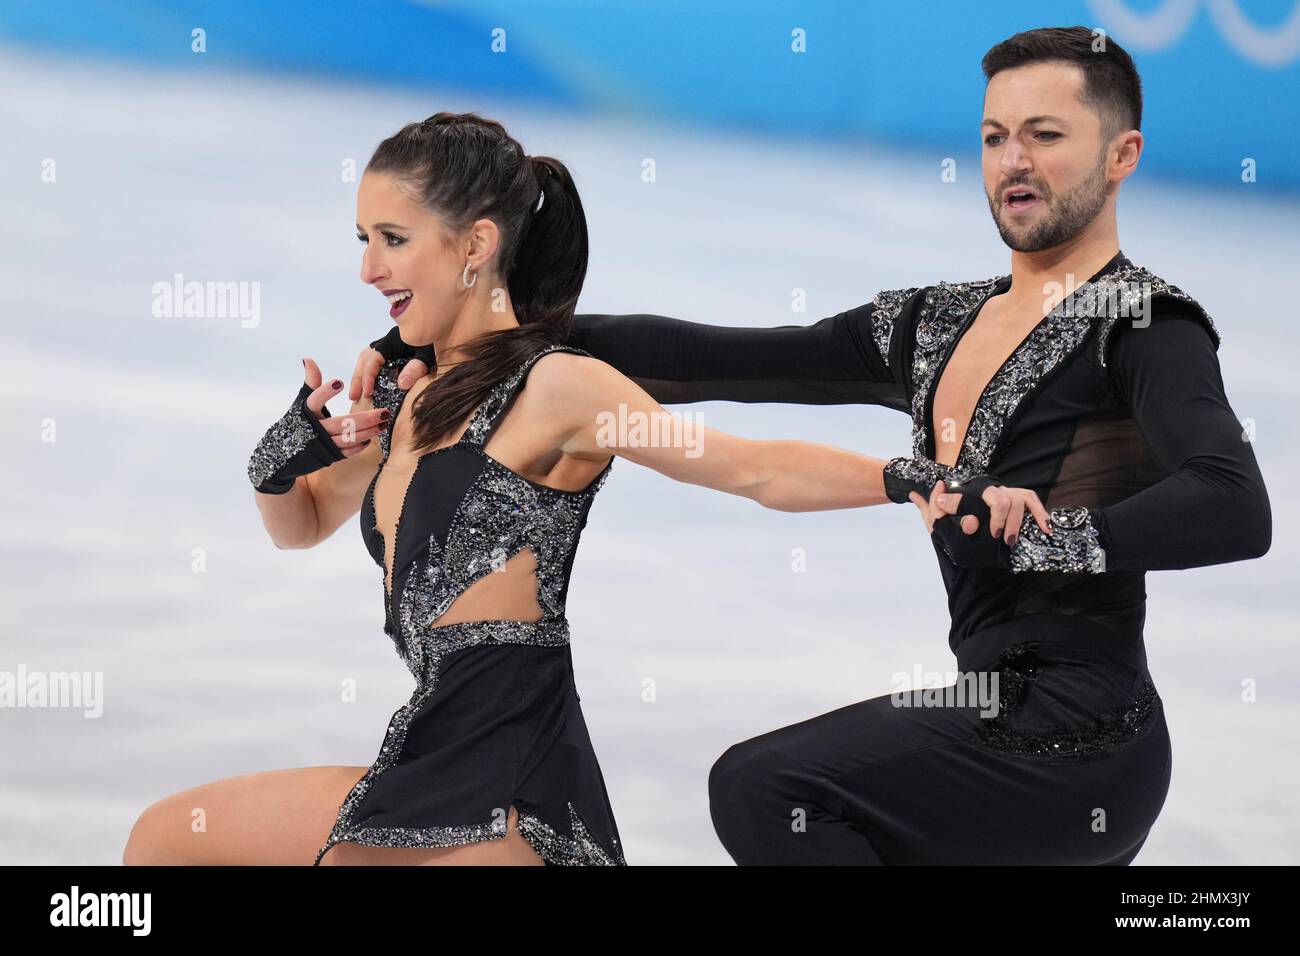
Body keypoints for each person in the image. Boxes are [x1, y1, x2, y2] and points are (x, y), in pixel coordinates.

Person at [362, 28, 1272, 864]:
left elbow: (1234, 501)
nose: (1014, 162)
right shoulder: (937, 323)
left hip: (1085, 728)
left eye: (1045, 135)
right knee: (794, 799)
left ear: (1123, 155)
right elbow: (708, 356)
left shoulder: (1143, 322)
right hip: (983, 705)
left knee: (768, 788)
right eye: (995, 137)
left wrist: (1043, 538)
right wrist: (439, 339)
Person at [122, 112, 935, 868]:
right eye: (365, 238)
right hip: (431, 751)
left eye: (394, 239)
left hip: (514, 784)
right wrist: (277, 463)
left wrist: (902, 478)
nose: (369, 268)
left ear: (475, 244)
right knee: (164, 843)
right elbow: (298, 526)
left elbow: (752, 468)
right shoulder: (406, 399)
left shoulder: (558, 388)